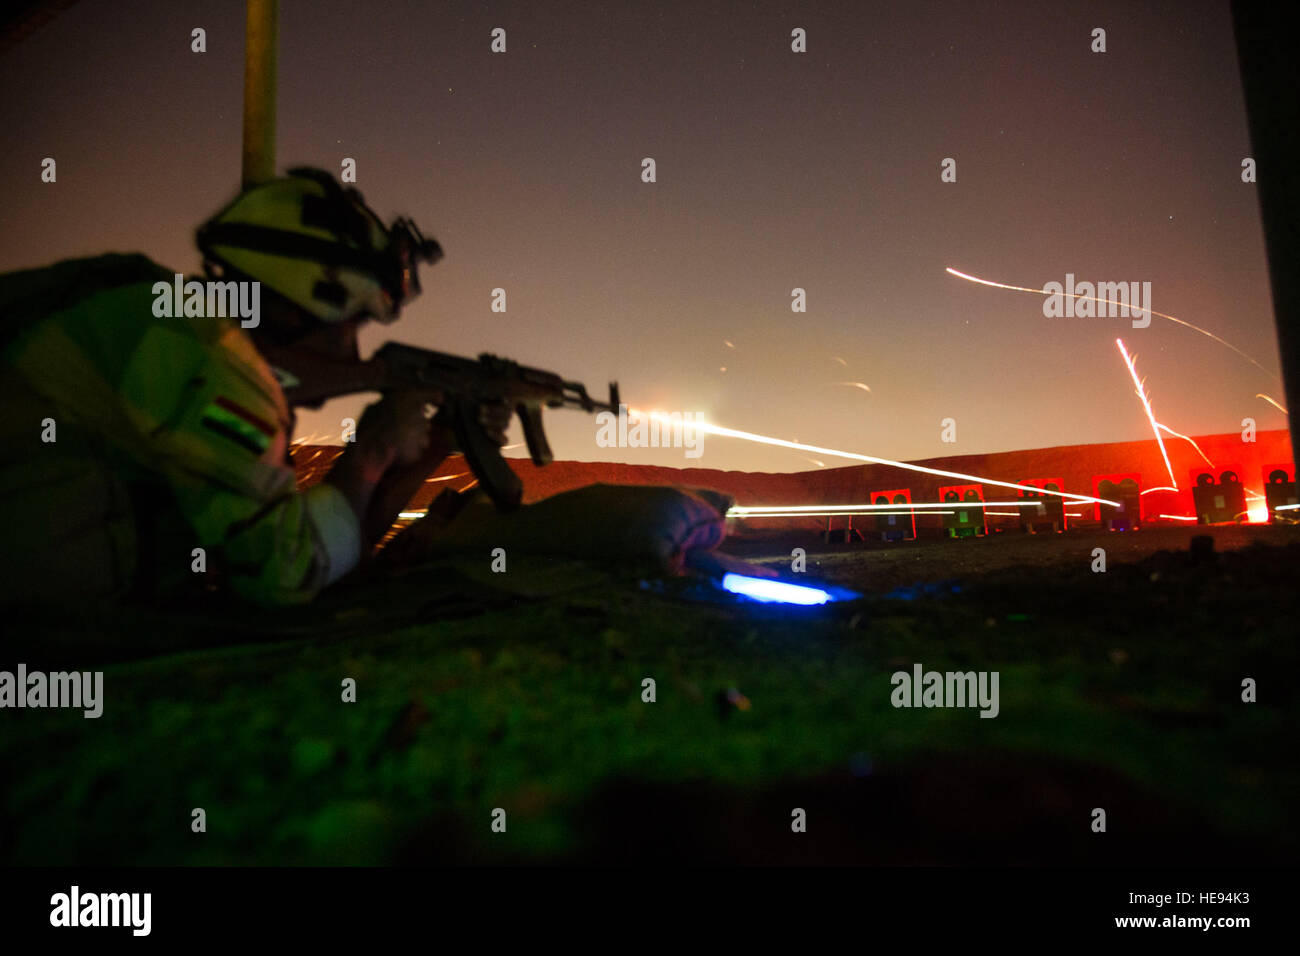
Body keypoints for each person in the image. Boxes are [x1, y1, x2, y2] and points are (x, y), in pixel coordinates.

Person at [0, 168, 739, 608]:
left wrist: (427, 450)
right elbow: (288, 576)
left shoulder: (172, 324)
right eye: (351, 324)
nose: (357, 350)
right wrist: (369, 455)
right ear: (309, 293)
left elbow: (335, 545)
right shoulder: (202, 356)